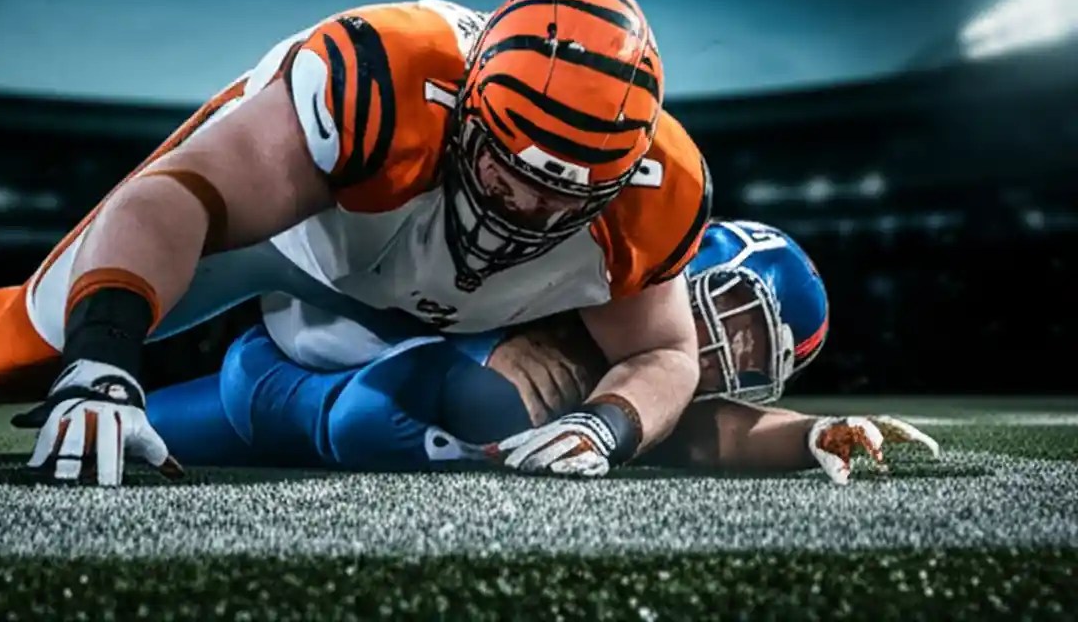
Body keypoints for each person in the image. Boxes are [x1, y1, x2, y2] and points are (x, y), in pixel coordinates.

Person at [0, 0, 713, 486]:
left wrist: (609, 426)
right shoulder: (380, 78)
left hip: (429, 300)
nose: (531, 212)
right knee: (31, 335)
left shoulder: (657, 191)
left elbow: (669, 351)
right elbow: (174, 197)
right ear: (463, 110)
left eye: (568, 197)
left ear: (622, 173)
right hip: (308, 232)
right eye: (508, 172)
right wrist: (105, 361)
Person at [143, 219, 938, 484]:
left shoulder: (658, 375)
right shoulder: (576, 261)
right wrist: (492, 347)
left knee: (372, 425)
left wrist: (811, 434)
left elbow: (701, 432)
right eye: (732, 316)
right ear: (685, 270)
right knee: (379, 417)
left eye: (754, 354)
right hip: (289, 354)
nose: (725, 352)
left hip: (303, 413)